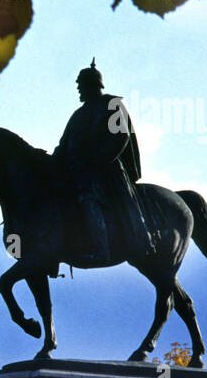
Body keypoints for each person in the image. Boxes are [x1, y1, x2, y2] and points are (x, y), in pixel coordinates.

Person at [52, 59, 154, 263]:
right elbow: (64, 145)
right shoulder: (78, 115)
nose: (78, 90)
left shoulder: (112, 105)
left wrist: (97, 161)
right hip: (77, 171)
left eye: (81, 85)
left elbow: (121, 137)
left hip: (107, 168)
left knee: (88, 197)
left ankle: (102, 247)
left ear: (92, 85)